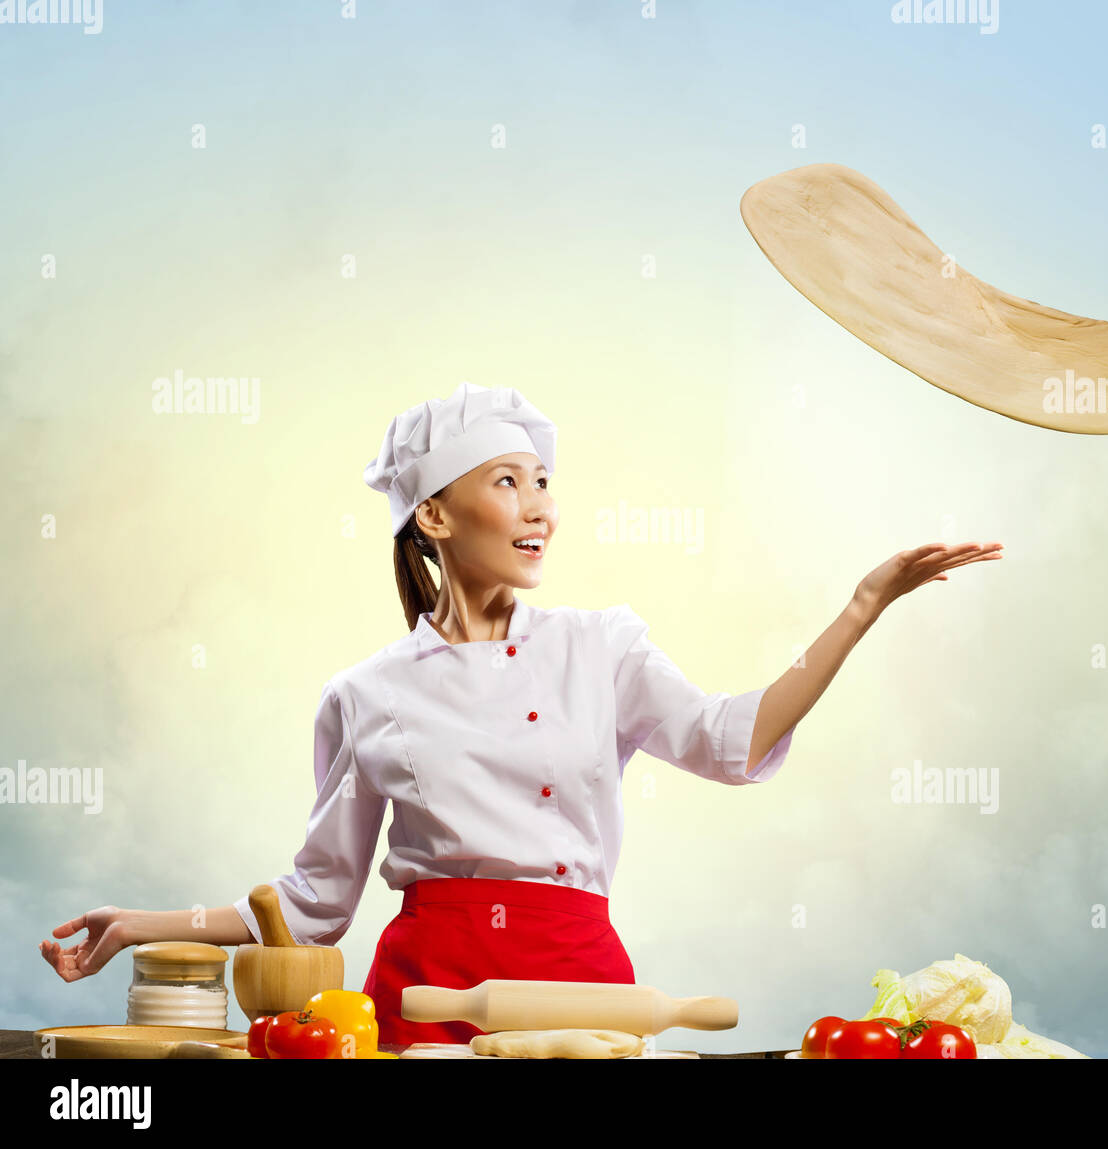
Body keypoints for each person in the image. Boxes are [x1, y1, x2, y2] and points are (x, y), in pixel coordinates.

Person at [39, 381, 1003, 1048]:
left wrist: (861, 609)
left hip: (581, 993)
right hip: (419, 1009)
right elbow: (313, 903)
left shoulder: (602, 647)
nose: (539, 506)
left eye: (543, 481)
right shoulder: (367, 693)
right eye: (507, 481)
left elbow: (731, 740)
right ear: (434, 515)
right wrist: (139, 925)